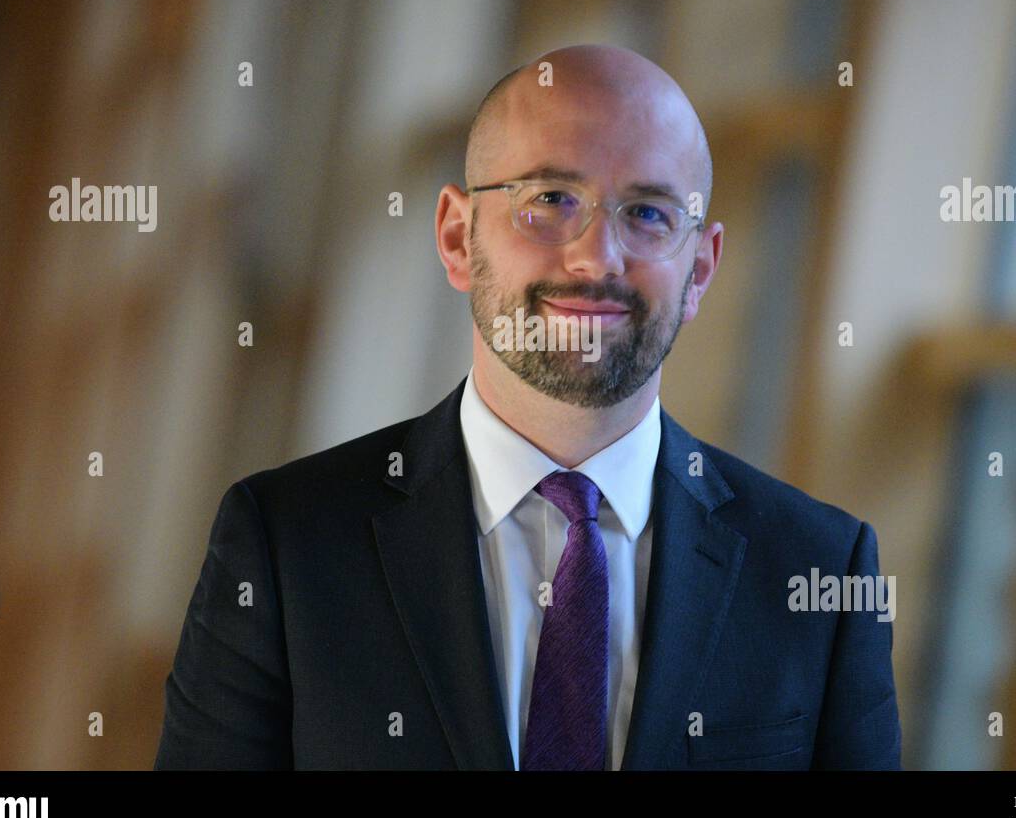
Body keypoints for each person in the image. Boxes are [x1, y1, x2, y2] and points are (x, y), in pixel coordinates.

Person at [154, 44, 901, 770]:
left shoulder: (820, 573)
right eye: (550, 200)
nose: (596, 257)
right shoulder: (288, 547)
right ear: (457, 237)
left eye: (647, 213)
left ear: (700, 269)